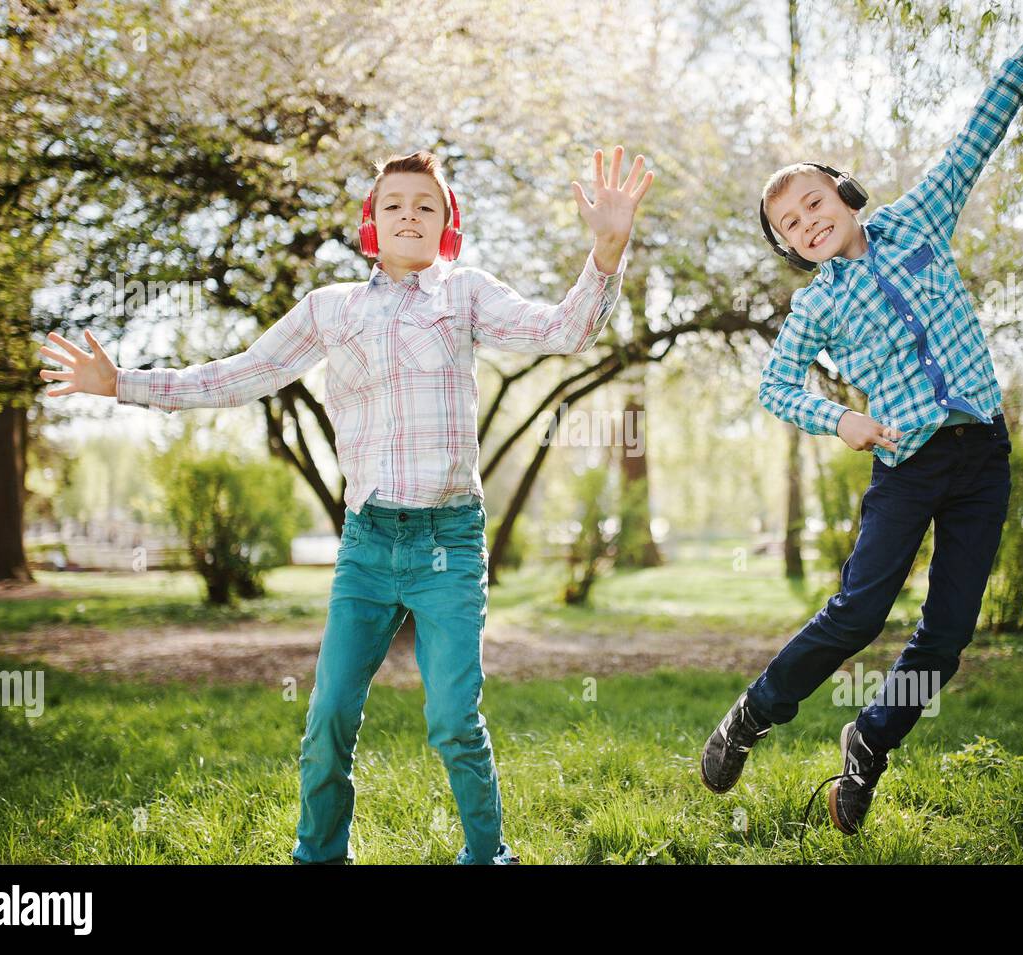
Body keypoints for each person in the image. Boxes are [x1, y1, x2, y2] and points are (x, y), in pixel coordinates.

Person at [39, 145, 654, 864]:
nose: (409, 215)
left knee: (454, 719)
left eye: (427, 205)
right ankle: (321, 854)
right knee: (328, 714)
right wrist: (123, 384)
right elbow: (239, 375)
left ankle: (488, 855)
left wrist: (606, 251)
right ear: (371, 222)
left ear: (447, 226)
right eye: (393, 204)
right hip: (367, 544)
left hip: (448, 541)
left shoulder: (467, 295)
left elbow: (561, 331)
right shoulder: (330, 310)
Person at [700, 1, 1023, 837]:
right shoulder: (816, 308)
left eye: (812, 202)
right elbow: (775, 385)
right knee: (859, 612)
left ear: (841, 189)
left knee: (945, 636)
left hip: (984, 456)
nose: (809, 222)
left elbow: (977, 134)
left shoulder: (919, 220)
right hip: (906, 467)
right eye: (791, 227)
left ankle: (869, 745)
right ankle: (754, 713)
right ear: (792, 249)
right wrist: (843, 421)